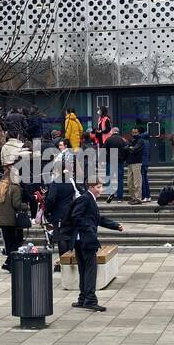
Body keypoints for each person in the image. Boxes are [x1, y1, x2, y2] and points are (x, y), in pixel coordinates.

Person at [69, 178, 124, 311]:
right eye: (99, 187)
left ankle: (83, 298)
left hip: (82, 239)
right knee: (90, 270)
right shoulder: (86, 198)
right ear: (91, 187)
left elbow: (98, 219)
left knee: (84, 269)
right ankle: (90, 299)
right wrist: (88, 229)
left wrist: (115, 226)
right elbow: (76, 216)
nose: (101, 190)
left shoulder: (89, 199)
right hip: (85, 240)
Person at [0, 171, 29, 270]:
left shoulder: (0, 188)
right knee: (17, 241)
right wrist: (26, 206)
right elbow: (17, 204)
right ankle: (8, 263)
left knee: (10, 243)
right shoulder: (15, 188)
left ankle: (9, 263)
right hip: (12, 220)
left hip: (1, 220)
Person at [121, 126, 144, 204]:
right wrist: (130, 148)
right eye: (133, 132)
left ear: (139, 133)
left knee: (137, 182)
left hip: (137, 163)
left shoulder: (141, 141)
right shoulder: (132, 140)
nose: (134, 134)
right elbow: (127, 148)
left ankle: (138, 198)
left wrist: (130, 148)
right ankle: (133, 197)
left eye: (135, 132)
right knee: (130, 183)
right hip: (130, 163)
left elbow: (134, 149)